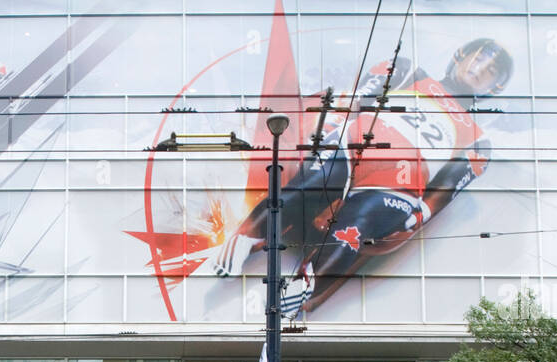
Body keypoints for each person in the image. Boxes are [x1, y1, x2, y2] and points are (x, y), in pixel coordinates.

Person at [214, 38, 514, 316]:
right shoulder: (409, 71)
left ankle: (301, 288)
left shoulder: (479, 141)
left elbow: (446, 188)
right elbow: (360, 97)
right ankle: (243, 238)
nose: (480, 69)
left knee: (355, 229)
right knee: (303, 189)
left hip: (398, 187)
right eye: (479, 59)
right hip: (354, 146)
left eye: (491, 71)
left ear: (495, 88)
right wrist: (333, 124)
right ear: (459, 56)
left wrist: (421, 214)